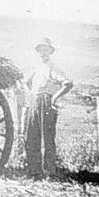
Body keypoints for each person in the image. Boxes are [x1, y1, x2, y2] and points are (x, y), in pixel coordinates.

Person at [23, 37, 73, 177]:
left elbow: (68, 83)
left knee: (47, 139)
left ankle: (49, 172)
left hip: (46, 102)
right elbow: (26, 82)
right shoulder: (36, 67)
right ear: (37, 52)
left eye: (46, 50)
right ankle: (34, 171)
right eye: (41, 50)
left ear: (50, 52)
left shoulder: (53, 68)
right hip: (34, 101)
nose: (43, 53)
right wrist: (30, 94)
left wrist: (54, 98)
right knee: (31, 136)